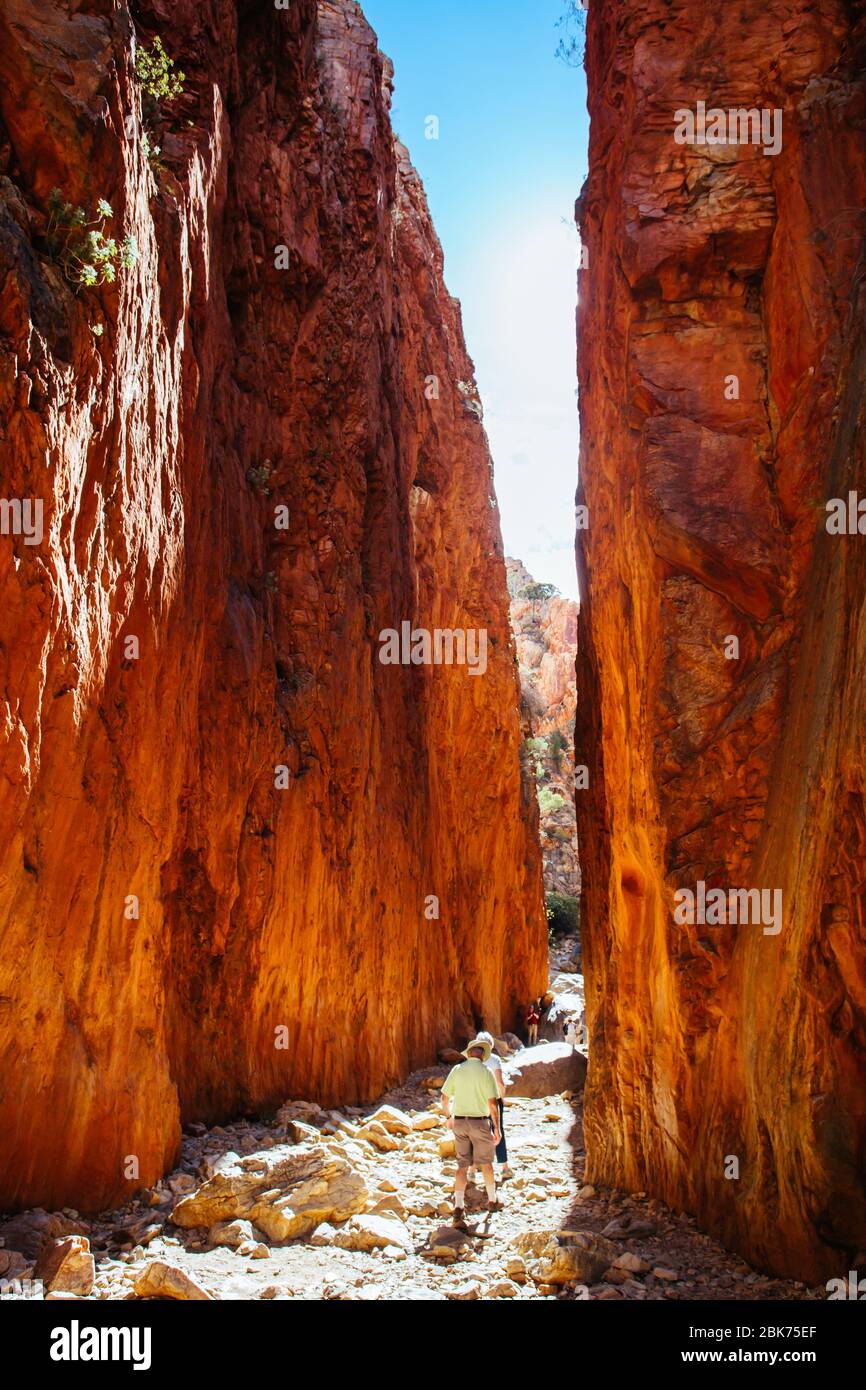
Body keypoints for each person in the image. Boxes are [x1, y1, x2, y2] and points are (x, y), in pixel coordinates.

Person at [440, 1036, 502, 1225]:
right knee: (486, 1163)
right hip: (480, 1123)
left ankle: (458, 1206)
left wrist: (448, 1117)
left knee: (462, 1165)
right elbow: (492, 1104)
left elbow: (444, 1098)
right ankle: (492, 1201)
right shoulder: (486, 1072)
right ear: (483, 1056)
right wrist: (497, 1128)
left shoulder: (457, 1070)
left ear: (469, 1054)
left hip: (459, 1122)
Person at [475, 1030, 513, 1181]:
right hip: (493, 1099)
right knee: (498, 1131)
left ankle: (472, 1170)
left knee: (476, 1132)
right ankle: (504, 1167)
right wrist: (501, 1098)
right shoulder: (495, 1059)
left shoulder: (474, 1060)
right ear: (491, 1045)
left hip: (477, 1100)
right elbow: (500, 1082)